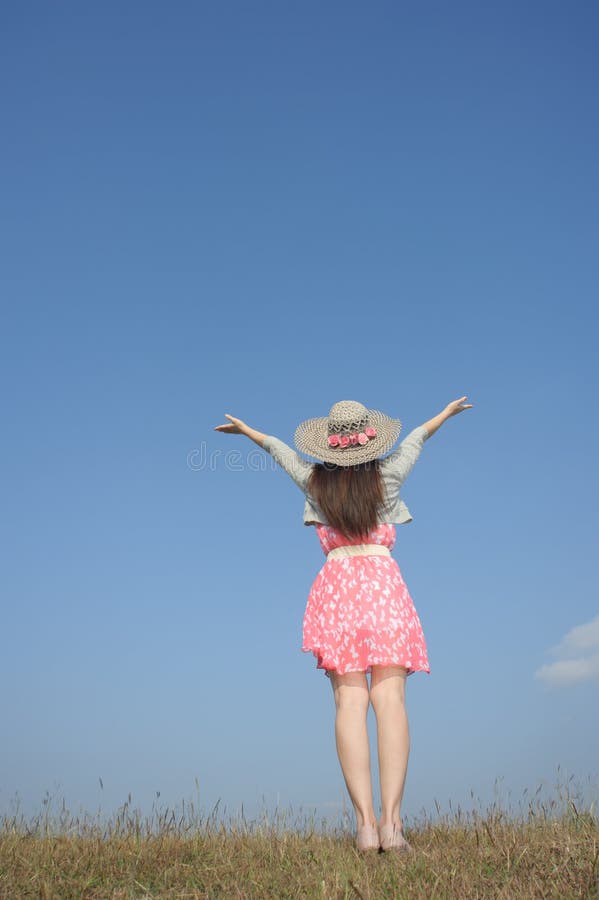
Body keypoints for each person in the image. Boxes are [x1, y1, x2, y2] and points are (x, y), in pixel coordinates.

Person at [214, 396, 472, 853]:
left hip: (336, 594)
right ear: (369, 440)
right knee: (389, 700)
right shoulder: (387, 478)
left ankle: (365, 827)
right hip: (383, 588)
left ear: (329, 445)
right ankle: (393, 826)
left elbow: (281, 452)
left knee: (348, 705)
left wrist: (251, 432)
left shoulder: (316, 483)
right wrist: (445, 415)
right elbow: (416, 440)